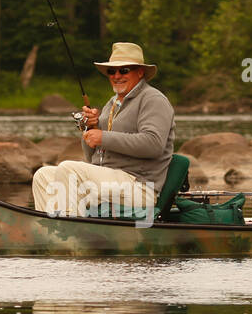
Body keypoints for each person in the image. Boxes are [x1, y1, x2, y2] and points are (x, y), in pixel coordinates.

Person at [32, 42, 175, 218]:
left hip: (140, 186)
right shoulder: (112, 104)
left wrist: (103, 137)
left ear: (140, 72)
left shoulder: (153, 99)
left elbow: (153, 145)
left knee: (69, 170)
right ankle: (50, 228)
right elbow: (91, 157)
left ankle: (68, 230)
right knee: (43, 175)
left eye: (124, 70)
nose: (117, 76)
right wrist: (90, 129)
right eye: (111, 71)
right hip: (109, 179)